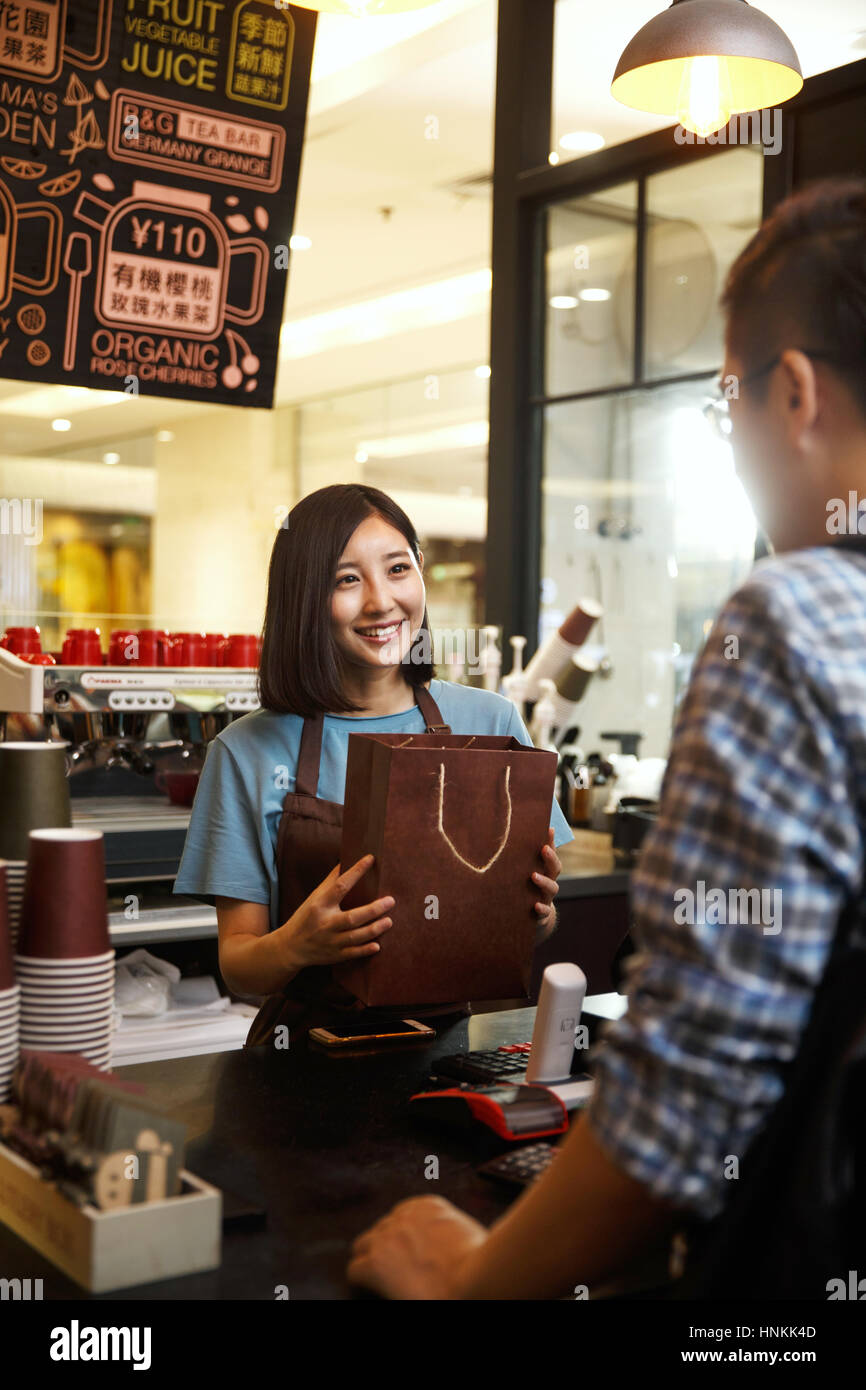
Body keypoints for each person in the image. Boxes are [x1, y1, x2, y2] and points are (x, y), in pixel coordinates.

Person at [347, 177, 866, 1298]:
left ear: (791, 392)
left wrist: (470, 1283)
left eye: (725, 406)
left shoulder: (795, 620)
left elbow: (684, 1103)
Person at [174, 483, 572, 1043]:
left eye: (397, 569)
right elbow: (238, 963)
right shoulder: (246, 750)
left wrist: (538, 914)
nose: (381, 602)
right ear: (304, 597)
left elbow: (536, 928)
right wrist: (297, 945)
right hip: (303, 1059)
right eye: (347, 579)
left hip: (451, 1051)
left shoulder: (493, 723)